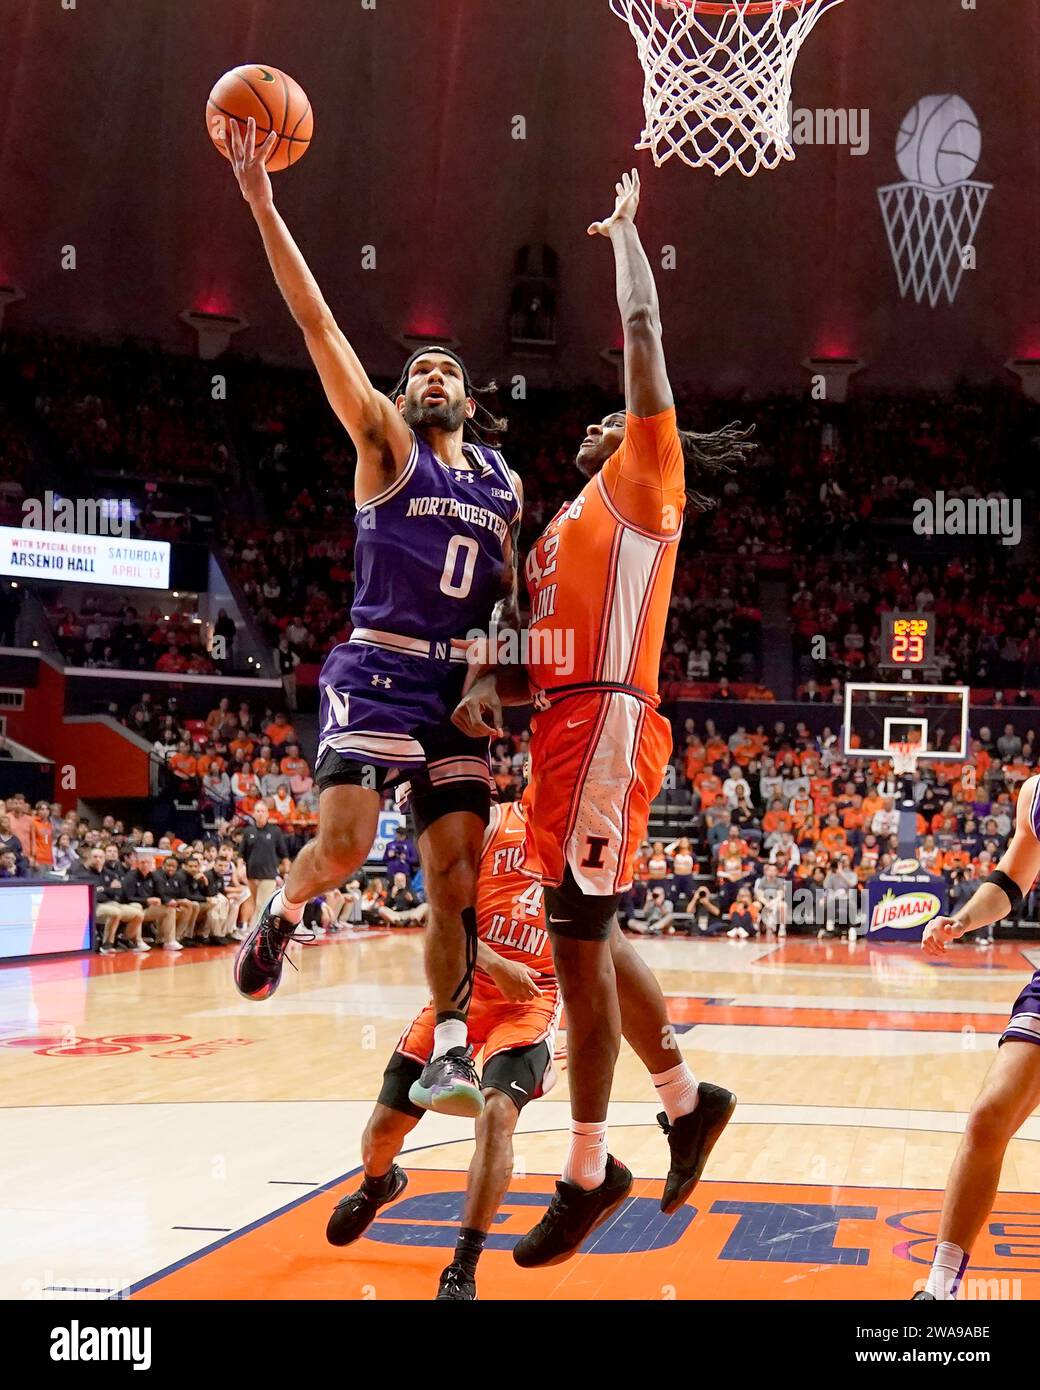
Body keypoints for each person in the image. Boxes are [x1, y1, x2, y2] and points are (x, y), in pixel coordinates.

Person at [455, 171, 746, 1264]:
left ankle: (588, 1164)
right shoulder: (553, 527)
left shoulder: (642, 478)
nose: (598, 418)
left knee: (577, 950)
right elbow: (533, 662)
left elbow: (638, 330)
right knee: (595, 931)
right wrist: (491, 680)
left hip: (607, 727)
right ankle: (682, 1100)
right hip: (557, 733)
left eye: (610, 414)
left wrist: (625, 237)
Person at [225, 114, 523, 1121]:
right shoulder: (383, 442)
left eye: (448, 372)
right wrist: (266, 203)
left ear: (471, 402)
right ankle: (285, 905)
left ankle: (445, 1041)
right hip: (375, 666)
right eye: (418, 371)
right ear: (403, 396)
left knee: (456, 871)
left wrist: (488, 671)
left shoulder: (503, 482)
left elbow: (509, 595)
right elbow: (319, 327)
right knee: (347, 845)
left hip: (452, 688)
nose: (430, 377)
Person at [325, 798, 561, 1299]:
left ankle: (463, 1267)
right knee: (382, 1134)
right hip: (463, 987)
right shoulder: (493, 820)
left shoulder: (586, 838)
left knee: (496, 1115)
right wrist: (494, 963)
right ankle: (377, 1184)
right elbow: (447, 910)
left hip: (531, 1001)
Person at [913, 774, 1040, 1300]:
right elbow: (1012, 880)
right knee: (989, 1119)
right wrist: (962, 920)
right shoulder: (1036, 792)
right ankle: (940, 1289)